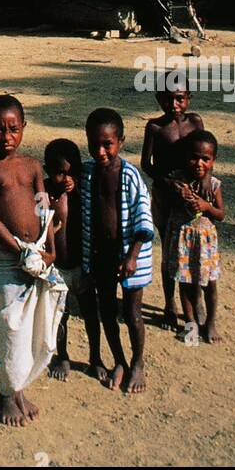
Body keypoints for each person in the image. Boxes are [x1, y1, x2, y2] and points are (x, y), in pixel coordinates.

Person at [0, 94, 64, 427]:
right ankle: (5, 394)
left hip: (39, 252)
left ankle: (20, 388)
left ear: (24, 127)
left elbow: (44, 206)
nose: (6, 137)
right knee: (11, 323)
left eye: (13, 129)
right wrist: (20, 251)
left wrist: (50, 248)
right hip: (8, 255)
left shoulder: (32, 166)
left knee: (30, 323)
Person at [81, 108, 153, 394]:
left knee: (133, 313)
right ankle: (119, 360)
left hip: (129, 256)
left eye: (107, 144)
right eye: (94, 144)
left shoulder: (130, 176)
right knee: (107, 312)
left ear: (121, 141)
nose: (100, 151)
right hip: (100, 256)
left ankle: (137, 362)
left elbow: (143, 217)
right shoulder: (86, 174)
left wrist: (133, 255)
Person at [141, 84, 204, 329]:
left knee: (193, 250)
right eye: (167, 100)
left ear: (189, 97)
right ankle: (169, 303)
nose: (174, 105)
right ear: (159, 99)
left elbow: (204, 155)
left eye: (179, 99)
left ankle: (195, 299)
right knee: (169, 250)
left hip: (191, 197)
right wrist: (168, 181)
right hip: (165, 196)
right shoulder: (155, 127)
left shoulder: (196, 122)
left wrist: (202, 185)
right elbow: (146, 163)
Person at [43, 138, 106, 383]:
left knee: (91, 313)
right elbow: (36, 224)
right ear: (48, 171)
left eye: (72, 172)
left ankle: (95, 358)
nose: (67, 179)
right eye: (59, 173)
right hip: (56, 268)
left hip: (82, 266)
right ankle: (63, 355)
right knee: (60, 315)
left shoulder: (82, 193)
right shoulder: (44, 193)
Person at [163, 129, 225, 344]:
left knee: (210, 284)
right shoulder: (178, 181)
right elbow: (165, 191)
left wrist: (207, 206)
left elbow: (221, 214)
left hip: (205, 244)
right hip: (183, 241)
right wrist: (177, 193)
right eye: (194, 157)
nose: (199, 163)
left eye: (205, 159)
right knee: (185, 283)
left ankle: (210, 323)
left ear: (213, 161)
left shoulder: (214, 185)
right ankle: (190, 325)